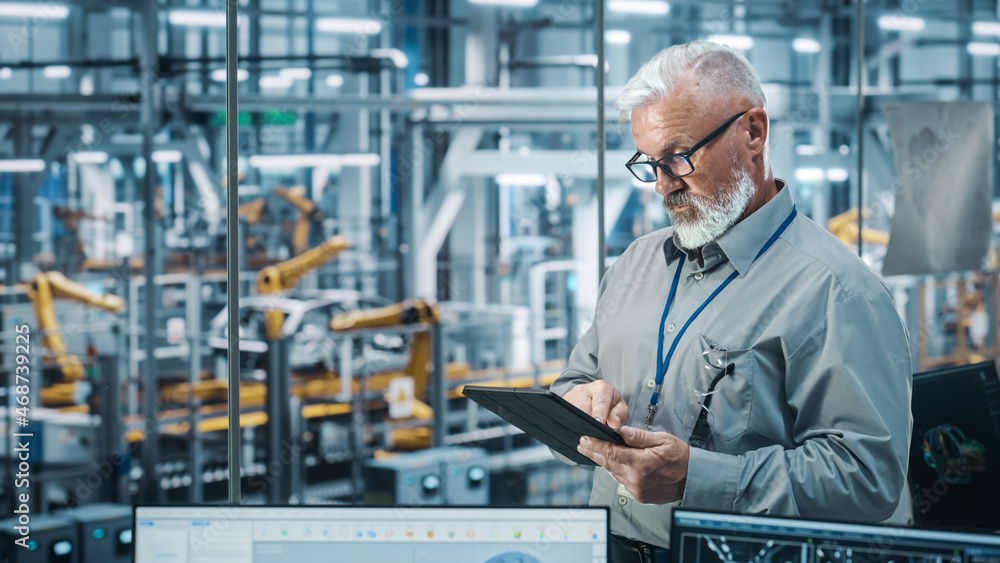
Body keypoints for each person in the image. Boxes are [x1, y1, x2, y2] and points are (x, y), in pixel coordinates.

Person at [549, 41, 912, 560]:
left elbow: (869, 478)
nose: (662, 186)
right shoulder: (635, 263)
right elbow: (575, 380)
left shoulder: (836, 290)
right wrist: (578, 405)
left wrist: (700, 478)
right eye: (648, 163)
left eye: (677, 157)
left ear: (753, 133)